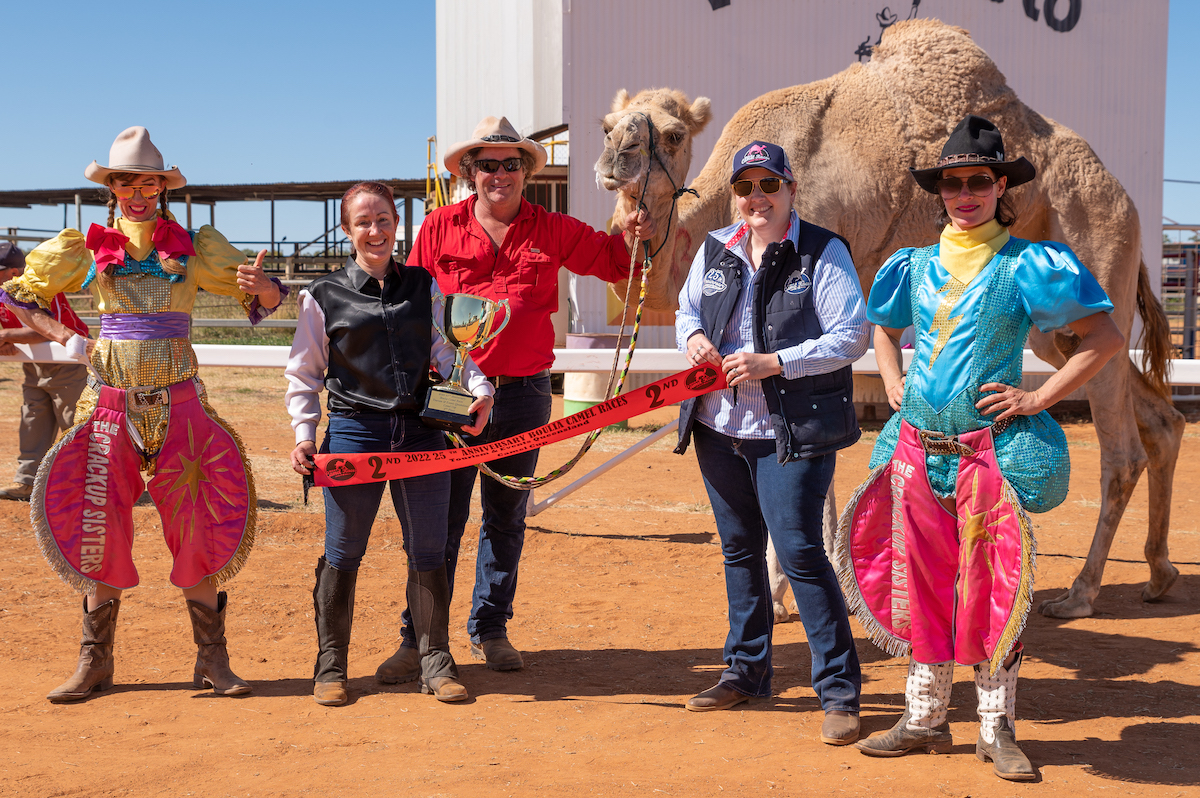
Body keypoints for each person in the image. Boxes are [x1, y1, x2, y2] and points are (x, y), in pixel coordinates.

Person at [846, 115, 1122, 780]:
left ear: (1002, 187)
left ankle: (996, 728)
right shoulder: (912, 265)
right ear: (939, 191)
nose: (964, 194)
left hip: (988, 456)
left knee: (996, 590)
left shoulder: (1029, 264)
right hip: (916, 450)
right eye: (952, 183)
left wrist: (1039, 397)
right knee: (924, 585)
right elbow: (883, 329)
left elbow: (1105, 337)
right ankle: (923, 718)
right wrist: (893, 381)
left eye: (978, 181)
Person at [0, 126, 284, 702]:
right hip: (109, 402)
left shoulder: (195, 246)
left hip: (179, 402)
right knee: (99, 521)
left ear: (162, 188)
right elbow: (18, 294)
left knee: (197, 520)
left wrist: (267, 287)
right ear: (111, 188)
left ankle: (213, 661)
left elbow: (263, 298)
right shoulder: (85, 245)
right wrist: (62, 333)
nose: (137, 194)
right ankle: (95, 662)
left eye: (148, 184)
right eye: (126, 183)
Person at [375, 115, 655, 679]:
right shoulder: (438, 227)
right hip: (454, 395)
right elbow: (412, 304)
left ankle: (491, 627)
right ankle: (420, 636)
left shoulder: (553, 228)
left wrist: (636, 231)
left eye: (510, 163)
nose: (499, 174)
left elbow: (612, 263)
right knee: (441, 519)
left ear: (525, 171)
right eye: (487, 165)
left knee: (506, 517)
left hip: (525, 393)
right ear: (469, 173)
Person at [673, 140, 867, 745]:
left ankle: (839, 691)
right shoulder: (716, 247)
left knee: (800, 551)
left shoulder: (822, 251)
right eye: (744, 187)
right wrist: (694, 339)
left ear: (790, 189)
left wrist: (775, 362)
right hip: (718, 426)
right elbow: (686, 310)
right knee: (739, 551)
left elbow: (851, 335)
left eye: (768, 185)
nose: (756, 197)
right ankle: (745, 672)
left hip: (791, 429)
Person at [286, 181, 495, 706]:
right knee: (343, 550)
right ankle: (331, 666)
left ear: (397, 224)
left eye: (383, 219)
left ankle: (435, 661)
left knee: (429, 549)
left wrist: (480, 389)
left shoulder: (424, 286)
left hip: (422, 433)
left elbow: (449, 352)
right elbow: (304, 373)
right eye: (363, 221)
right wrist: (305, 435)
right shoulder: (322, 295)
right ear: (347, 230)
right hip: (355, 435)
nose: (375, 230)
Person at [0, 242, 88, 501]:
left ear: (14, 272)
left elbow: (51, 330)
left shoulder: (41, 288)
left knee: (74, 422)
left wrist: (7, 336)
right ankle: (28, 482)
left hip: (68, 361)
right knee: (32, 420)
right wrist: (9, 339)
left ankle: (91, 484)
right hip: (34, 362)